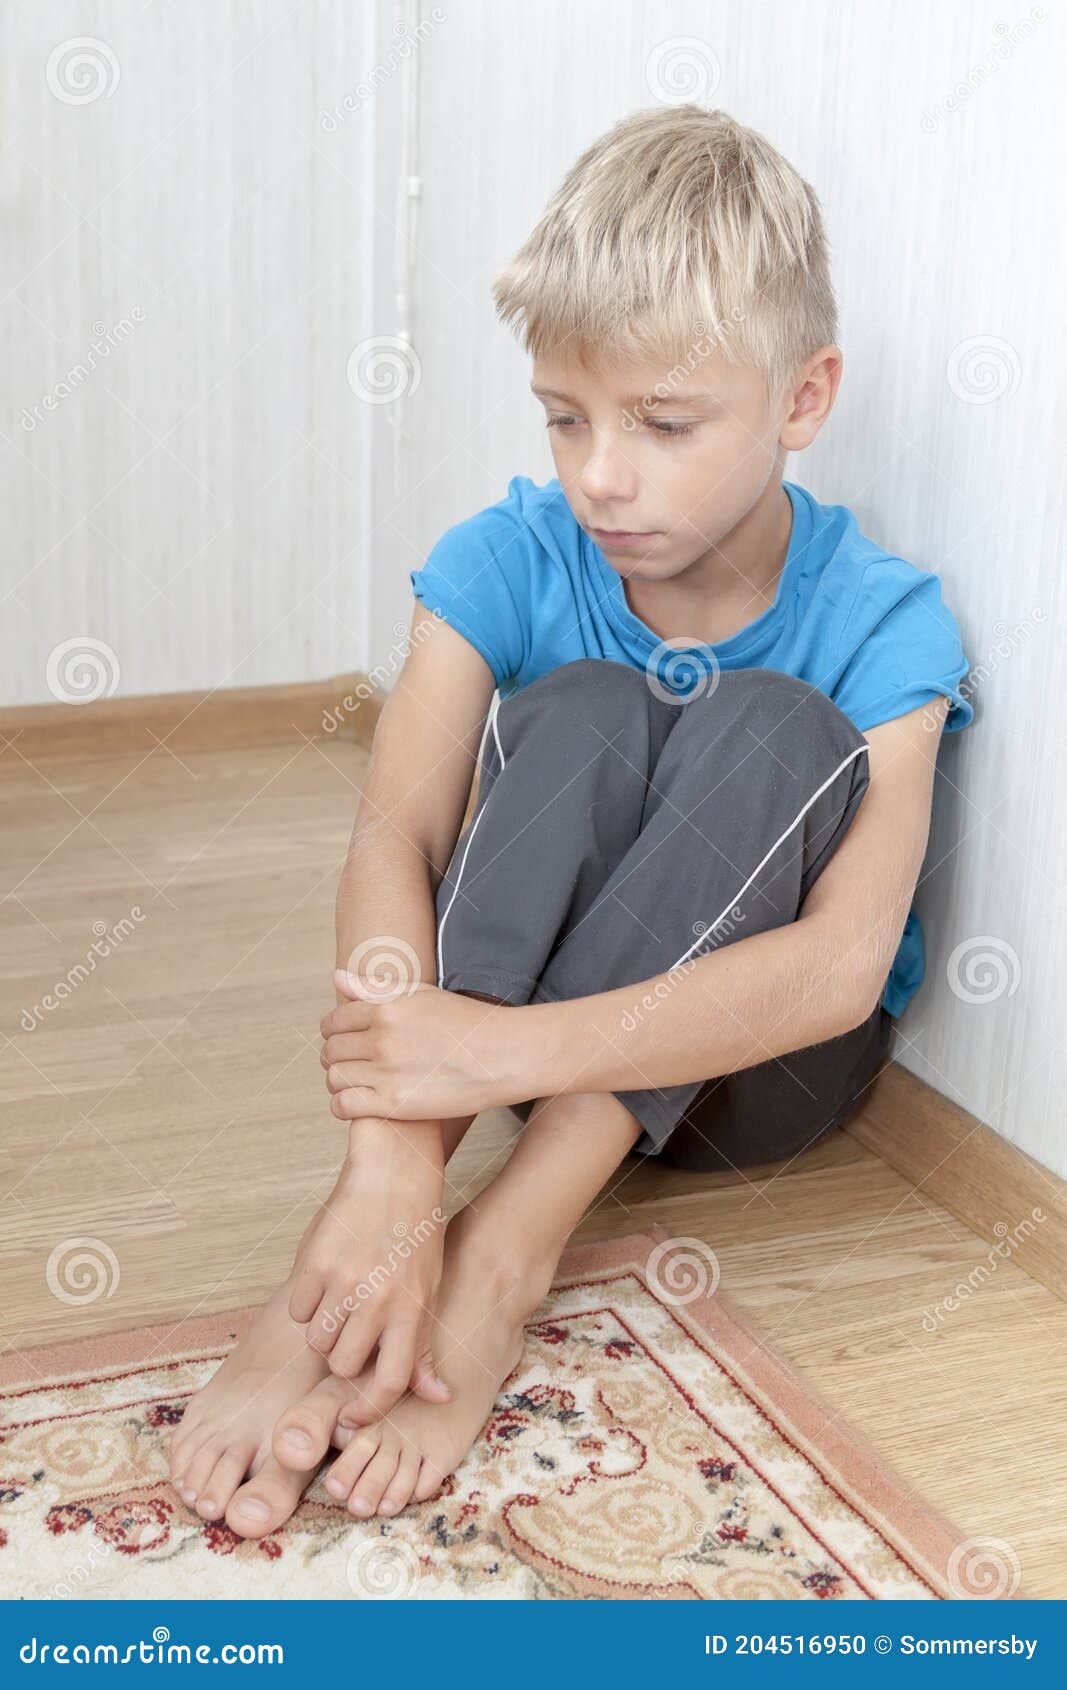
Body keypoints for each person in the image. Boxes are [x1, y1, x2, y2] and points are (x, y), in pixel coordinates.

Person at [168, 104, 972, 1538]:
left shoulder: (885, 618)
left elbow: (843, 970)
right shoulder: (509, 555)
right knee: (587, 703)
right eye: (563, 416)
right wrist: (389, 1157)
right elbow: (395, 841)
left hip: (751, 1074)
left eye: (663, 424)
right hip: (502, 1037)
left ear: (803, 398)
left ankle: (503, 1257)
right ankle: (379, 1240)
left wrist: (500, 1053)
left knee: (775, 725)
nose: (599, 472)